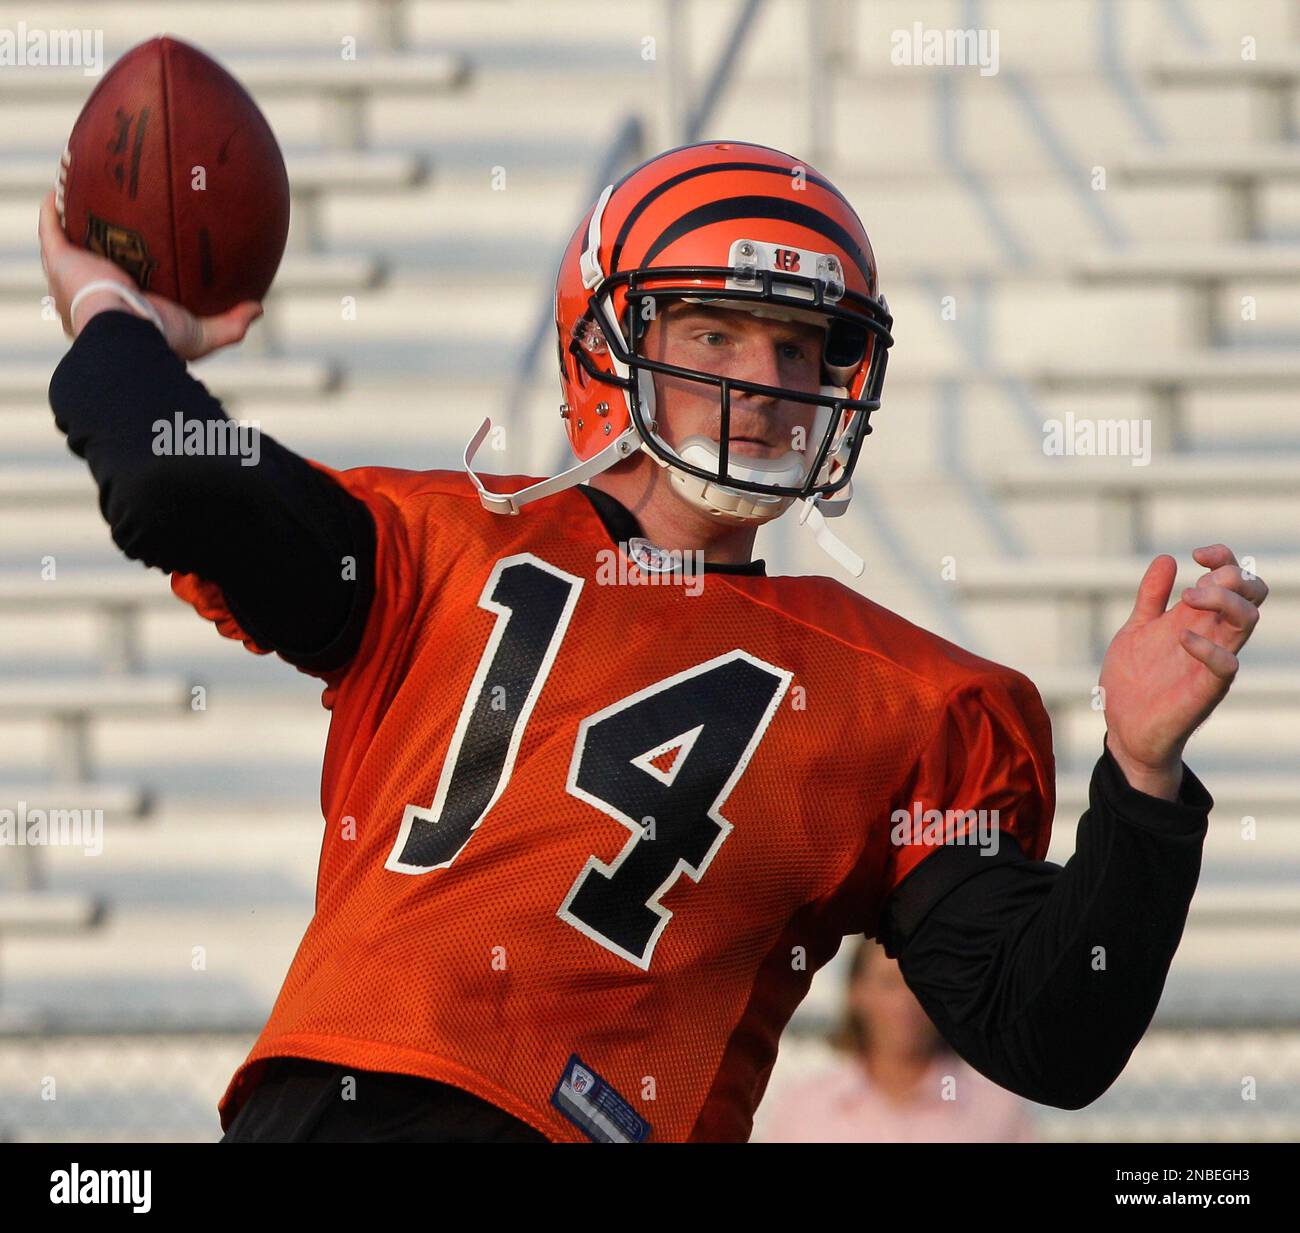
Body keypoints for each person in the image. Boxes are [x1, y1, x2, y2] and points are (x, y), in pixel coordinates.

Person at [39, 140, 1266, 1143]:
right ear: (607, 346)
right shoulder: (435, 545)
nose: (771, 379)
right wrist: (115, 312)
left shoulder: (906, 705)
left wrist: (1143, 777)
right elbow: (162, 477)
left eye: (801, 347)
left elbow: (1047, 1032)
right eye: (717, 334)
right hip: (316, 1111)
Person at [758, 939, 1035, 1142]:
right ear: (857, 993)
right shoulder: (803, 1107)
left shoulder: (996, 1109)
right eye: (889, 983)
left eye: (917, 985)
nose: (905, 1003)